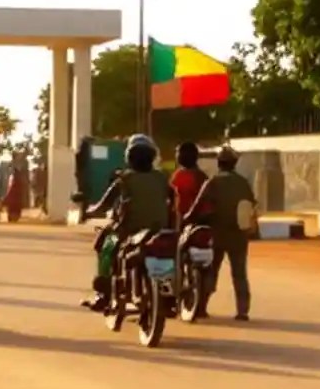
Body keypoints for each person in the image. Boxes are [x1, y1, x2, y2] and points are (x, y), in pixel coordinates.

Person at [82, 135, 172, 312]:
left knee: (104, 245)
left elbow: (103, 206)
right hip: (159, 230)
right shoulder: (162, 178)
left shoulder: (124, 179)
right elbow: (172, 200)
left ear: (129, 158)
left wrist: (88, 212)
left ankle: (103, 294)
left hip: (128, 230)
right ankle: (168, 295)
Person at [184, 146, 257, 321]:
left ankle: (201, 307)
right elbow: (251, 205)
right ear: (235, 163)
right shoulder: (243, 182)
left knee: (210, 271)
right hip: (239, 234)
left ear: (219, 163)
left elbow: (197, 206)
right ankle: (242, 311)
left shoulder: (213, 181)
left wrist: (186, 219)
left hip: (216, 233)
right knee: (239, 273)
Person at [170, 141, 208, 229]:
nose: (177, 156)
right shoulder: (178, 174)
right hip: (180, 220)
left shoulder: (199, 177)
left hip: (193, 223)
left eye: (178, 153)